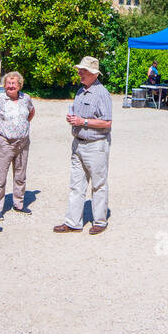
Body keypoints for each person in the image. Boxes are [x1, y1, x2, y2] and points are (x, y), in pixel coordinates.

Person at [54, 57, 113, 235]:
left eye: (84, 71)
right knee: (76, 185)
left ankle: (100, 221)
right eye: (80, 70)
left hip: (96, 145)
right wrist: (73, 120)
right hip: (78, 144)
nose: (80, 73)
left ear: (94, 74)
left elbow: (107, 122)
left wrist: (83, 121)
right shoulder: (80, 91)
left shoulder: (102, 93)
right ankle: (73, 222)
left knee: (98, 184)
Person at [0, 71, 36, 219]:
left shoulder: (26, 98)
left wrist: (22, 127)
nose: (10, 86)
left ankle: (19, 203)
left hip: (23, 142)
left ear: (20, 85)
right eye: (8, 83)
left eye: (14, 83)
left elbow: (31, 112)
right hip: (5, 143)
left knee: (20, 175)